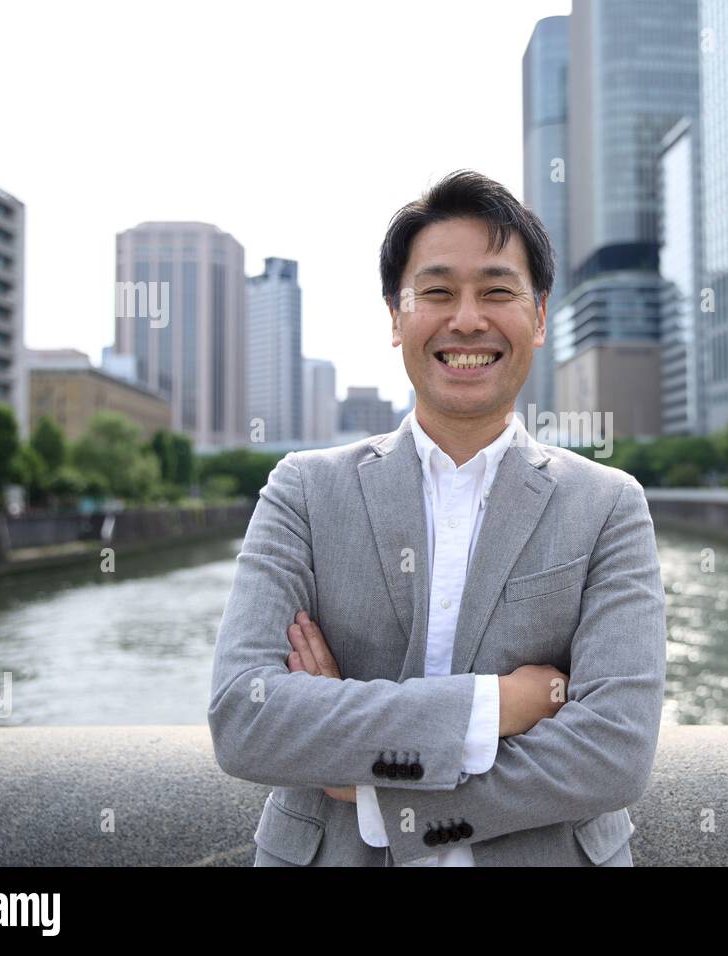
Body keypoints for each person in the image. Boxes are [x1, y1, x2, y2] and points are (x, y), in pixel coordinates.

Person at [208, 169, 667, 866]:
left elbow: (613, 753)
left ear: (540, 317)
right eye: (438, 292)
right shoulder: (303, 489)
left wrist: (365, 780)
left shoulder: (607, 505)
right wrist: (499, 707)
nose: (467, 320)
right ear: (397, 317)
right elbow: (246, 716)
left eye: (497, 291)